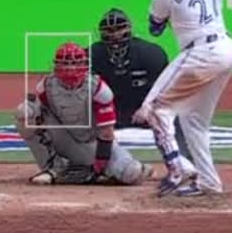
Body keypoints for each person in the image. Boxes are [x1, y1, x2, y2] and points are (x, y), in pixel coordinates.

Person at [135, 0, 232, 198]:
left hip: (200, 52)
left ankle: (177, 169)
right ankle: (208, 182)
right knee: (193, 122)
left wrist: (172, 16)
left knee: (153, 110)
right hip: (227, 50)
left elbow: (154, 28)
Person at [14, 42, 154, 187]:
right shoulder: (46, 85)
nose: (70, 69)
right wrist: (27, 109)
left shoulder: (98, 89)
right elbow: (38, 113)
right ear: (56, 65)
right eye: (65, 64)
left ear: (84, 64)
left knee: (132, 173)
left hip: (93, 143)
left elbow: (106, 133)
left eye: (75, 63)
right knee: (24, 114)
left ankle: (97, 171)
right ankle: (53, 168)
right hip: (65, 138)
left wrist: (100, 163)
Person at [90, 7, 171, 131]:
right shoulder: (90, 56)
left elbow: (166, 90)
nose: (115, 35)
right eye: (109, 30)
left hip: (143, 115)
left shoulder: (152, 54)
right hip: (105, 117)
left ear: (129, 29)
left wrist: (149, 107)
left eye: (119, 29)